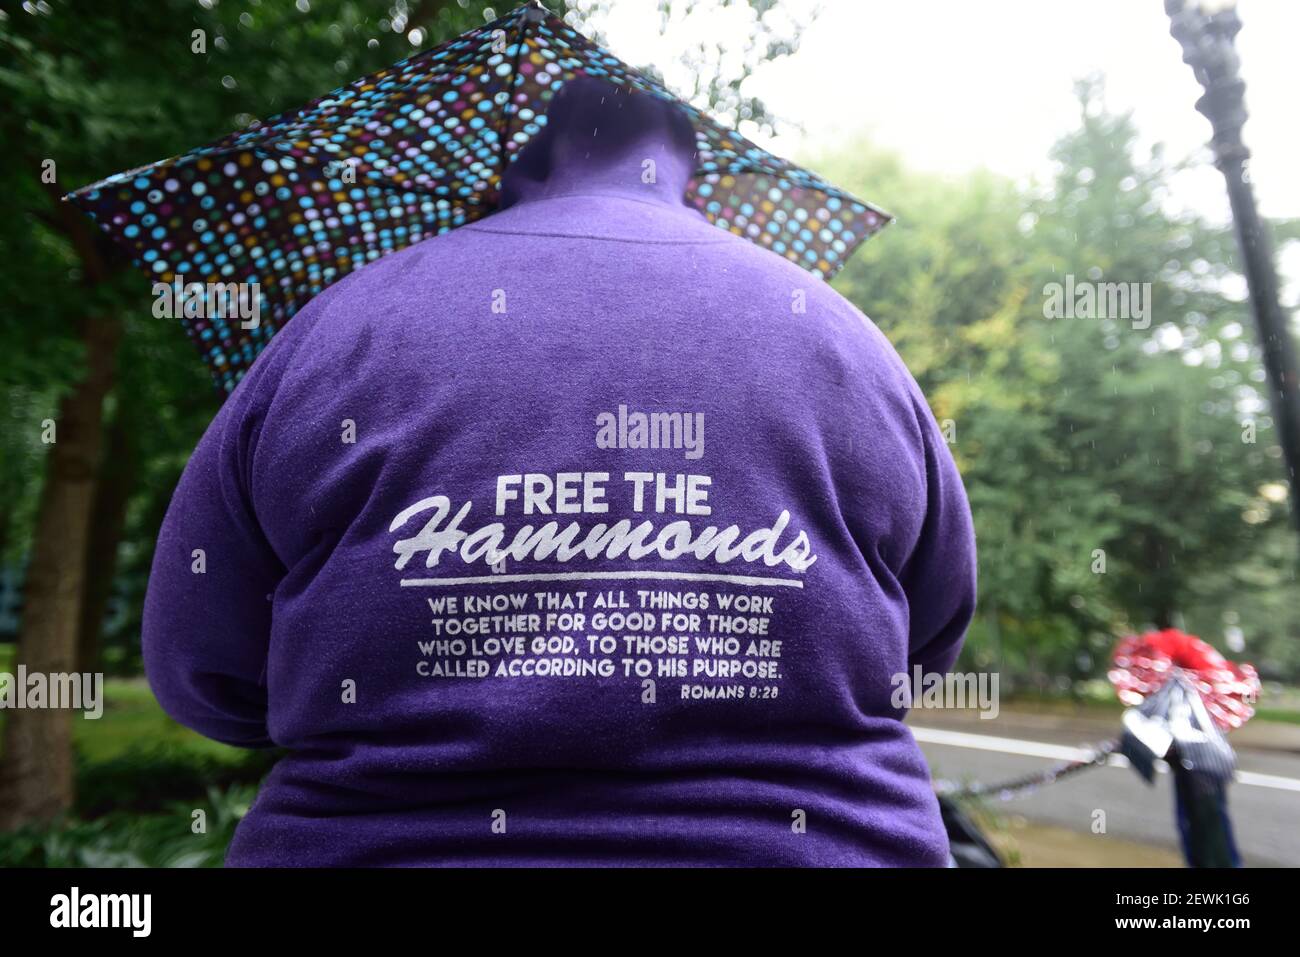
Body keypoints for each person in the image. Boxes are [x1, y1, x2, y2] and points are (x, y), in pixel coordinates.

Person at [142, 75, 977, 866]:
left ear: (529, 159)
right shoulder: (848, 344)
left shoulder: (336, 329)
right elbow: (925, 643)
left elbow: (202, 669)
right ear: (689, 163)